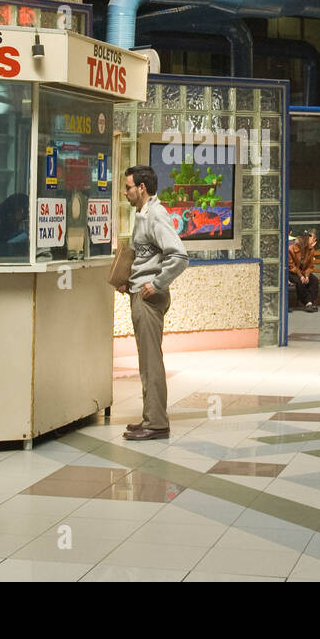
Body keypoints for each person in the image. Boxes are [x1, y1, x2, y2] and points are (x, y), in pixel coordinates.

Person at [118, 165, 189, 441]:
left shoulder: (156, 214)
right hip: (139, 292)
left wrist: (156, 284)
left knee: (151, 361)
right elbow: (146, 256)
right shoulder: (142, 214)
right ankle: (151, 417)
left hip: (150, 298)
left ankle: (157, 423)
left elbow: (179, 257)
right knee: (146, 360)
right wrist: (128, 279)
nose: (125, 192)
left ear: (142, 188)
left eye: (128, 187)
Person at [288, 230, 320, 311]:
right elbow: (291, 266)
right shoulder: (291, 249)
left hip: (303, 273)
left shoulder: (310, 250)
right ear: (299, 239)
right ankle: (307, 303)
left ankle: (310, 302)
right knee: (299, 282)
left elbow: (310, 266)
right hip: (292, 272)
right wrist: (301, 276)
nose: (306, 240)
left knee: (314, 280)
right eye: (304, 238)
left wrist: (306, 275)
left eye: (307, 237)